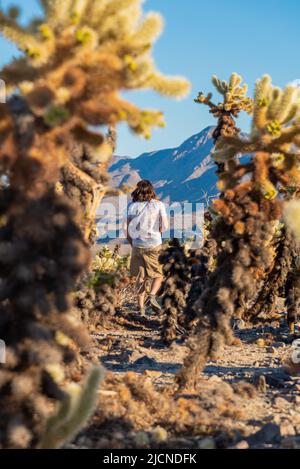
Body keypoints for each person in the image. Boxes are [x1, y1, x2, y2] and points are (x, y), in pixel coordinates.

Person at [126, 180, 169, 316]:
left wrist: (131, 242)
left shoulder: (132, 206)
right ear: (151, 190)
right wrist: (159, 231)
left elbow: (127, 228)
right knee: (159, 273)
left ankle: (141, 309)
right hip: (154, 244)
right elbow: (165, 226)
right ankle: (152, 296)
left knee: (140, 277)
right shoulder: (158, 205)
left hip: (137, 244)